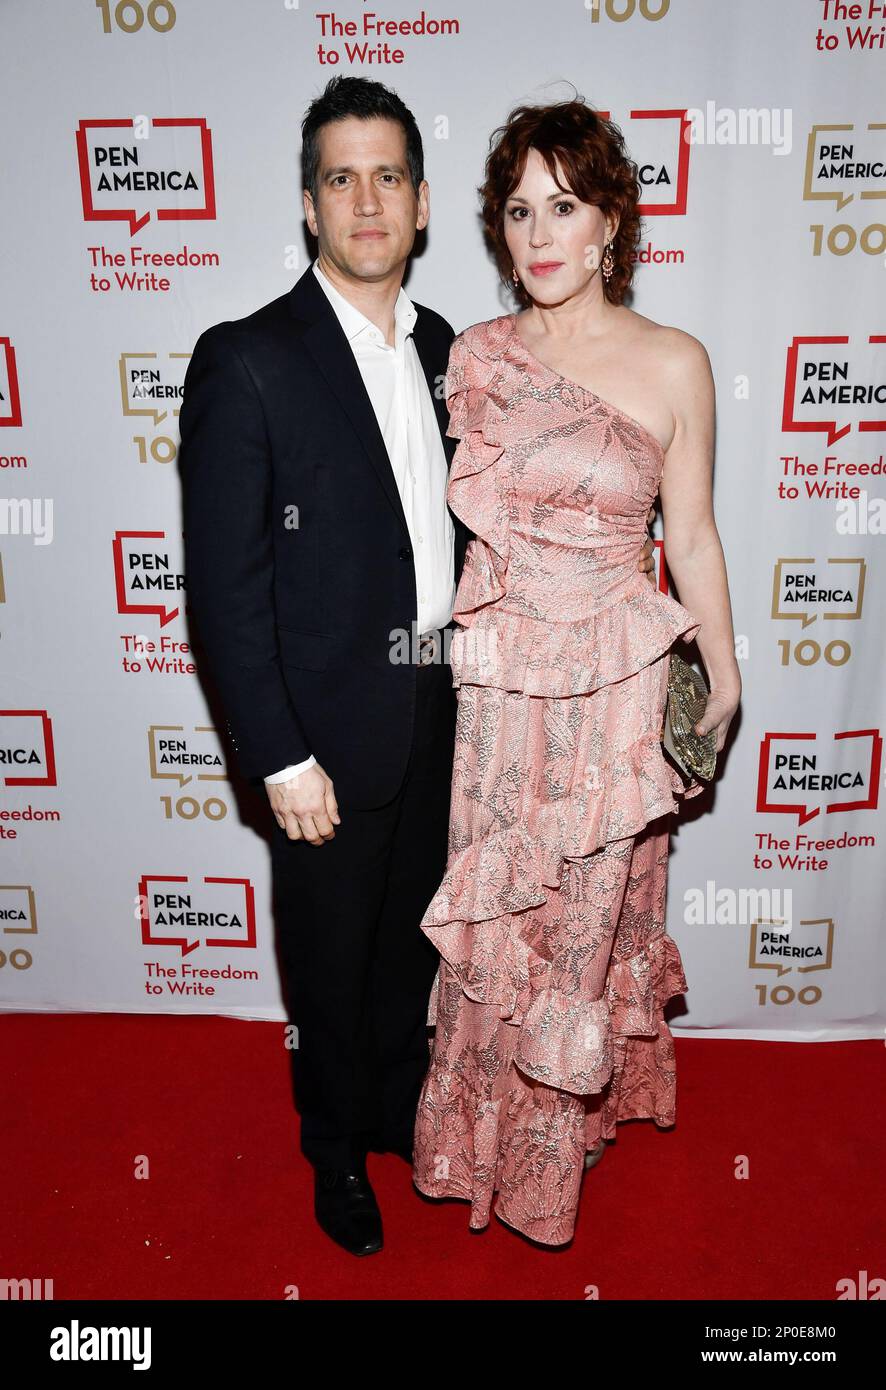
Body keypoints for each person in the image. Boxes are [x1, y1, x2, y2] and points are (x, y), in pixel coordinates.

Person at [179, 76, 658, 1257]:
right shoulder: (245, 360)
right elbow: (225, 591)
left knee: (413, 947)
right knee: (330, 960)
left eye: (387, 173)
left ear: (425, 200)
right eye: (340, 176)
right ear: (308, 206)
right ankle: (332, 1145)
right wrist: (279, 756)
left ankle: (399, 1107)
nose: (366, 197)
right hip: (325, 744)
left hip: (456, 722)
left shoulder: (459, 348)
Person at [411, 97, 741, 1246]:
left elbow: (689, 536)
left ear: (609, 221)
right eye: (516, 210)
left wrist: (727, 672)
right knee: (507, 923)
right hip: (503, 694)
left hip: (615, 693)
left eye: (563, 206)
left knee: (591, 922)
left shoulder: (672, 361)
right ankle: (479, 1140)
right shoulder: (478, 360)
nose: (538, 234)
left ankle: (560, 1146)